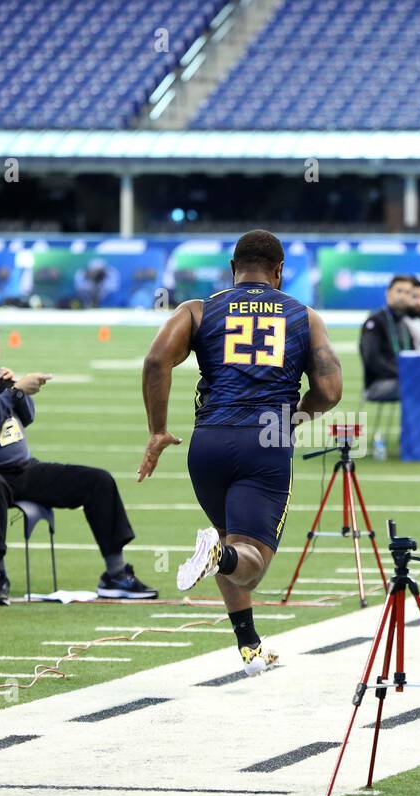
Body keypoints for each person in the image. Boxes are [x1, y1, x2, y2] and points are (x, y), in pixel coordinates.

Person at [137, 229, 342, 677]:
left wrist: (157, 431)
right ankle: (219, 558)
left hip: (208, 438)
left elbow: (156, 361)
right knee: (248, 562)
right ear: (280, 272)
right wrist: (296, 420)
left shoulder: (198, 309)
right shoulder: (305, 317)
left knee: (229, 533)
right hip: (265, 438)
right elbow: (329, 390)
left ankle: (249, 646)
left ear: (233, 270)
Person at [0, 324, 155, 606]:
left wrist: (15, 392)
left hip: (19, 468)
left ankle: (116, 574)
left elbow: (26, 418)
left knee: (97, 481)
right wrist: (11, 393)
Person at [358, 275, 417, 402]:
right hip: (378, 385)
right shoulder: (375, 321)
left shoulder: (405, 324)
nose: (402, 296)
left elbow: (413, 356)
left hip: (401, 380)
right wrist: (401, 373)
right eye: (399, 291)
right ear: (388, 293)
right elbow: (372, 359)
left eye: (407, 293)